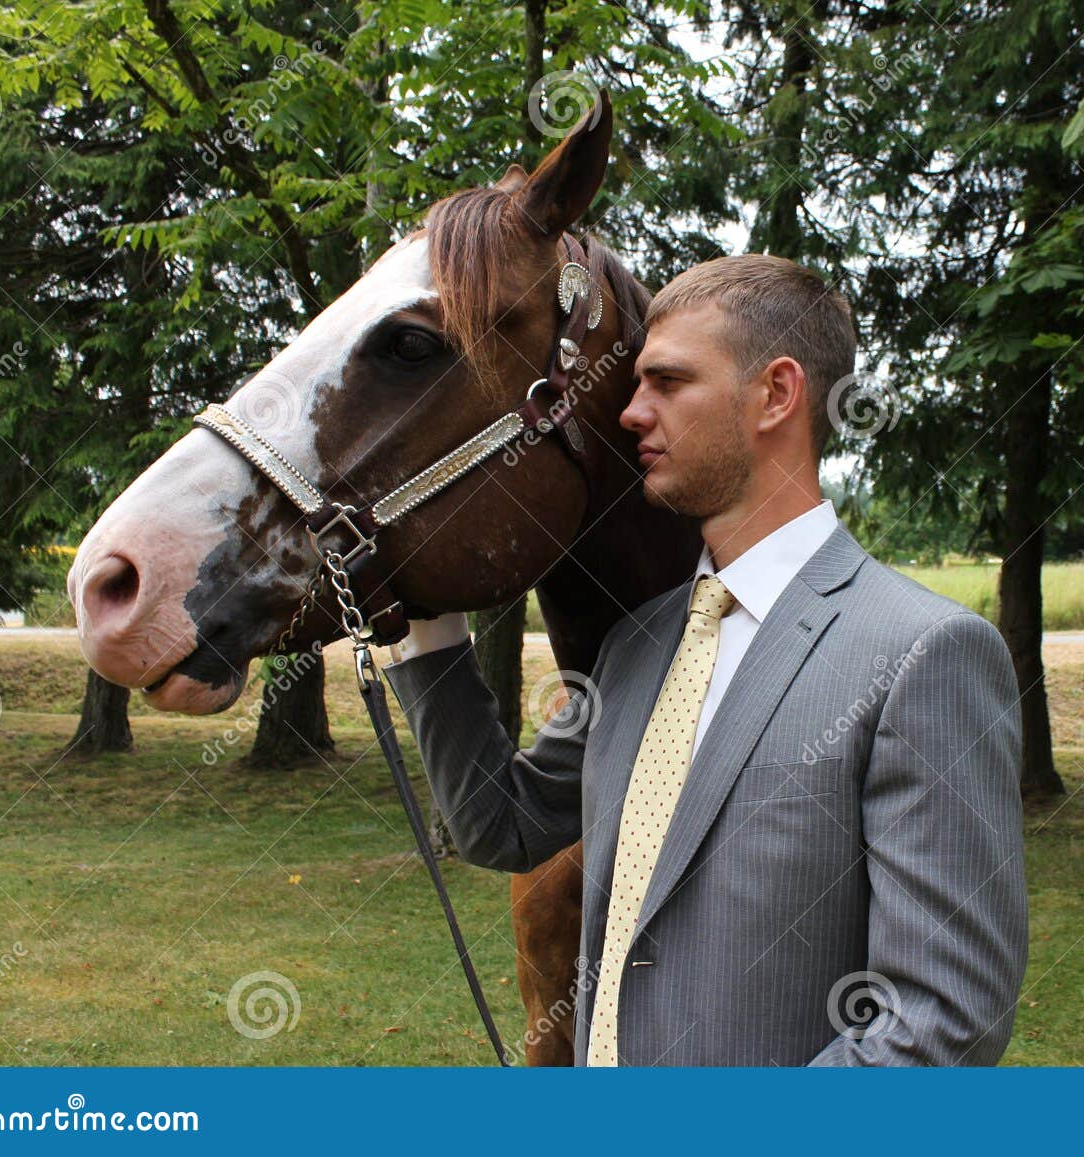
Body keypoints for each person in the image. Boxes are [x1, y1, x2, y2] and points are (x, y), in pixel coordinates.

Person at [383, 253, 1027, 1066]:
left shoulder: (923, 654)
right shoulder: (636, 646)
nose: (630, 412)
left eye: (667, 382)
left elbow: (941, 1018)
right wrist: (422, 619)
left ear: (777, 393)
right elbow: (499, 822)